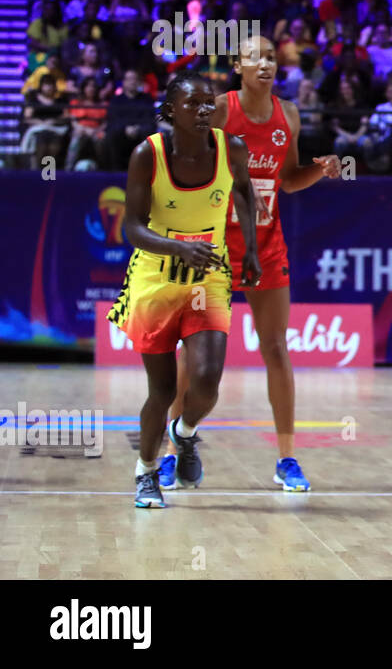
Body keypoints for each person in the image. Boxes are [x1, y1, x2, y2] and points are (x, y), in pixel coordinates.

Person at [162, 38, 342, 493]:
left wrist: (320, 170)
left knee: (277, 348)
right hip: (215, 248)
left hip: (267, 246)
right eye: (254, 57)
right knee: (193, 354)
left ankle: (287, 459)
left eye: (271, 57)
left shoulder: (290, 115)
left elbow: (287, 179)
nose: (265, 63)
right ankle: (172, 450)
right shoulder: (220, 110)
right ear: (238, 66)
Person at [107, 70, 261, 507]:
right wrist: (178, 247)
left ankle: (185, 432)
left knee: (208, 381)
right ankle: (146, 472)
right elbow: (132, 229)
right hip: (155, 274)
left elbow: (246, 193)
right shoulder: (147, 154)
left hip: (208, 273)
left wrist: (249, 248)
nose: (203, 111)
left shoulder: (230, 148)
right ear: (171, 110)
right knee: (162, 390)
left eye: (209, 103)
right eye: (193, 104)